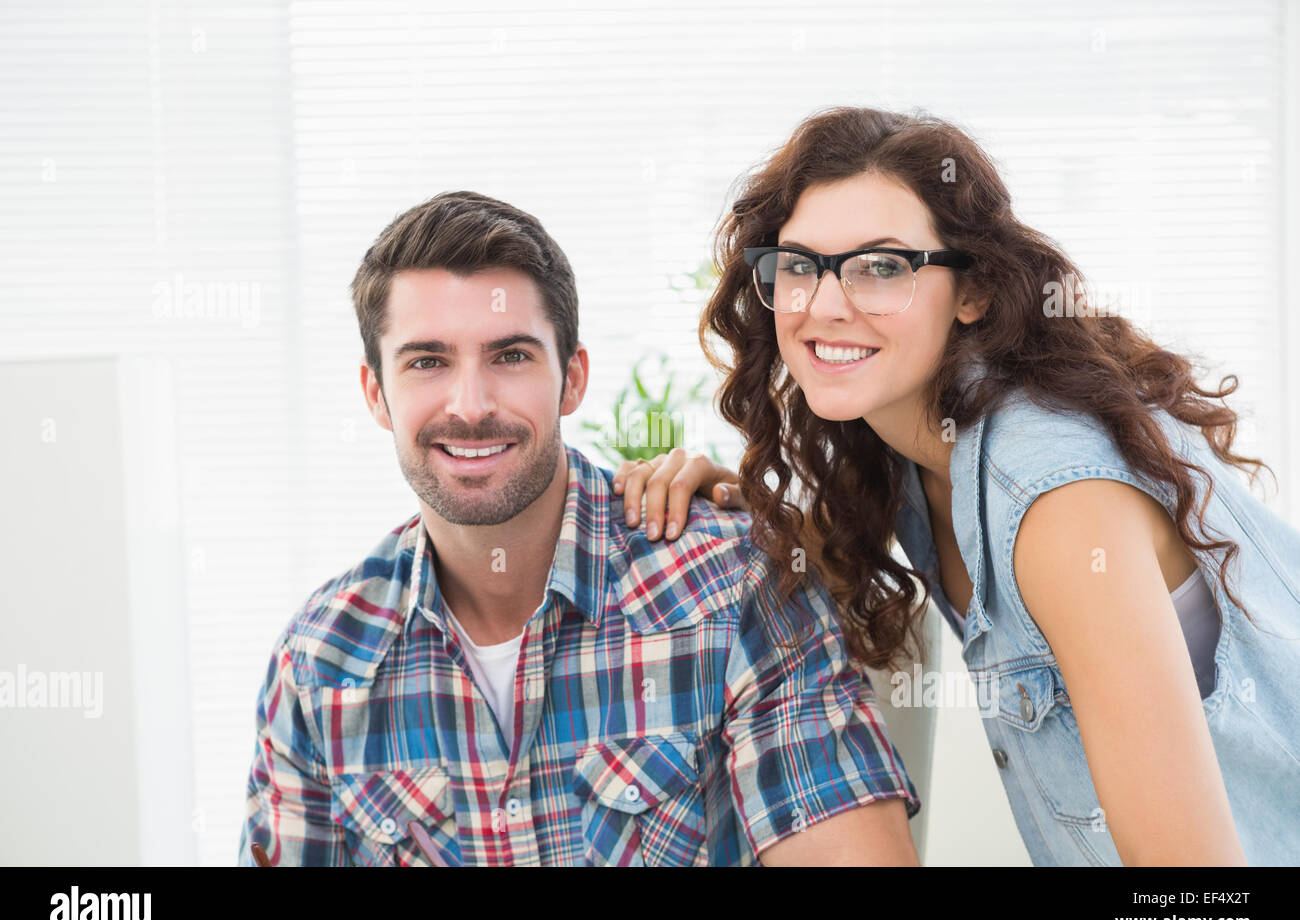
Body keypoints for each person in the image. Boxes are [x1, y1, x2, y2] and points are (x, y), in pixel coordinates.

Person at [615, 106, 1300, 866]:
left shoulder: (1058, 509)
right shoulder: (916, 445)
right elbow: (840, 557)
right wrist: (744, 511)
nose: (825, 305)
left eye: (882, 267)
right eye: (801, 264)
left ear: (972, 292)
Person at [236, 189, 921, 866]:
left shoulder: (731, 592)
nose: (471, 406)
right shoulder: (321, 663)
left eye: (510, 356)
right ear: (376, 395)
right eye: (428, 362)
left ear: (571, 379)